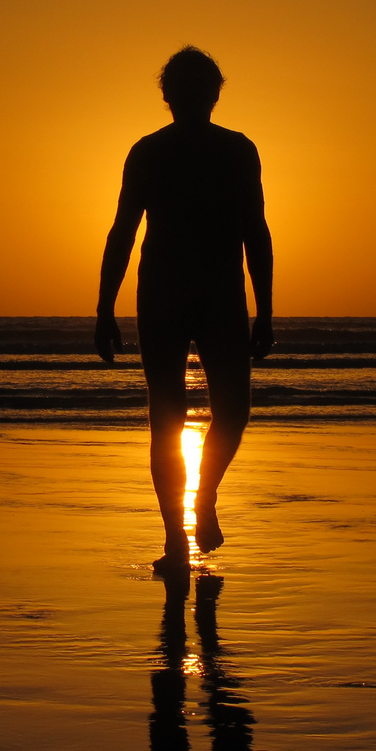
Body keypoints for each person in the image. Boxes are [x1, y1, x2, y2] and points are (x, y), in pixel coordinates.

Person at [95, 47, 273, 573]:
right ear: (168, 95)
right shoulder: (147, 152)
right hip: (163, 294)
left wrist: (265, 312)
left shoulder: (238, 150)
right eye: (184, 87)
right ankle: (175, 538)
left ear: (213, 94)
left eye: (200, 87)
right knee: (166, 418)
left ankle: (204, 496)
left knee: (234, 411)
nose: (192, 96)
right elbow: (123, 231)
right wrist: (104, 310)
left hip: (220, 293)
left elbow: (255, 230)